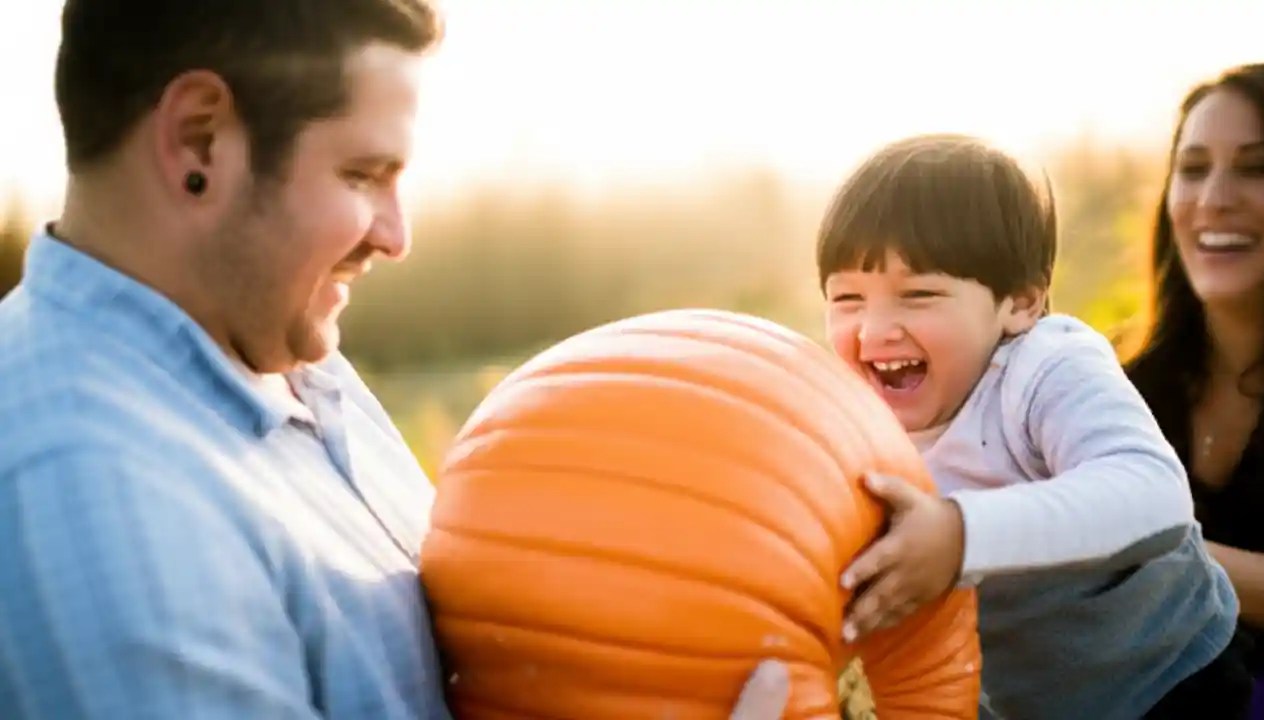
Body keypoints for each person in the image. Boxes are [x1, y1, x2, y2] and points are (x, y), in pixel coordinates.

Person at [0, 2, 787, 718]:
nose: (395, 237)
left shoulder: (282, 351)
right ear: (198, 139)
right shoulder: (99, 490)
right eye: (362, 175)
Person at [815, 133, 1248, 719]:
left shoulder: (1045, 366)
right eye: (847, 298)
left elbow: (1153, 495)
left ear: (1020, 303)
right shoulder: (844, 419)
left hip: (1167, 678)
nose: (872, 332)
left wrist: (959, 535)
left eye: (918, 294)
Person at [1124, 63, 1264, 720]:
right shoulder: (1112, 381)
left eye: (1257, 167)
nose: (1213, 198)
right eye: (1192, 168)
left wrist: (1159, 552)